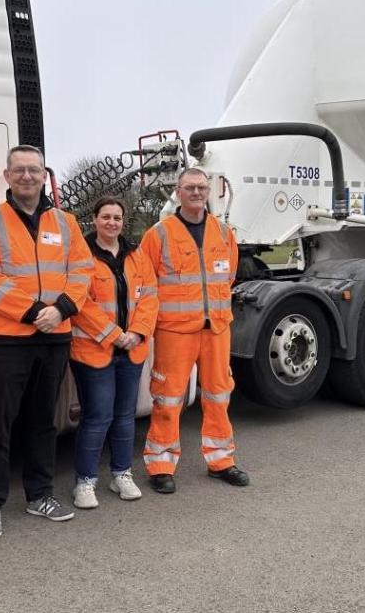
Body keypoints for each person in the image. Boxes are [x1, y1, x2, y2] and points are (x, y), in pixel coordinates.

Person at [0, 145, 95, 539]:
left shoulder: (66, 222)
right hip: (5, 338)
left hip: (54, 336)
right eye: (19, 170)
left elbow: (82, 268)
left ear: (45, 176)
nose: (27, 176)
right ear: (6, 176)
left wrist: (60, 310)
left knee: (43, 421)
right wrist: (33, 311)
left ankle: (40, 494)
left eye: (35, 170)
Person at [140, 167, 250, 494]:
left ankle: (221, 461)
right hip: (175, 330)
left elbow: (228, 275)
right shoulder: (158, 234)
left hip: (216, 328)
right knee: (168, 398)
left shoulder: (223, 232)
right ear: (178, 190)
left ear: (208, 191)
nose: (197, 193)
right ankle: (160, 464)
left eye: (202, 188)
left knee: (218, 394)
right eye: (190, 188)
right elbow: (146, 283)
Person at [68, 197, 158, 509]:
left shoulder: (137, 254)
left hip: (131, 350)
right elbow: (79, 302)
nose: (112, 223)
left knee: (124, 416)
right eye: (105, 217)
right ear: (94, 220)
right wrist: (114, 335)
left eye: (117, 217)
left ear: (123, 221)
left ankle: (121, 473)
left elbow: (149, 294)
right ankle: (85, 481)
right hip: (94, 351)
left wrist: (137, 332)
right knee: (97, 417)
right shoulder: (82, 256)